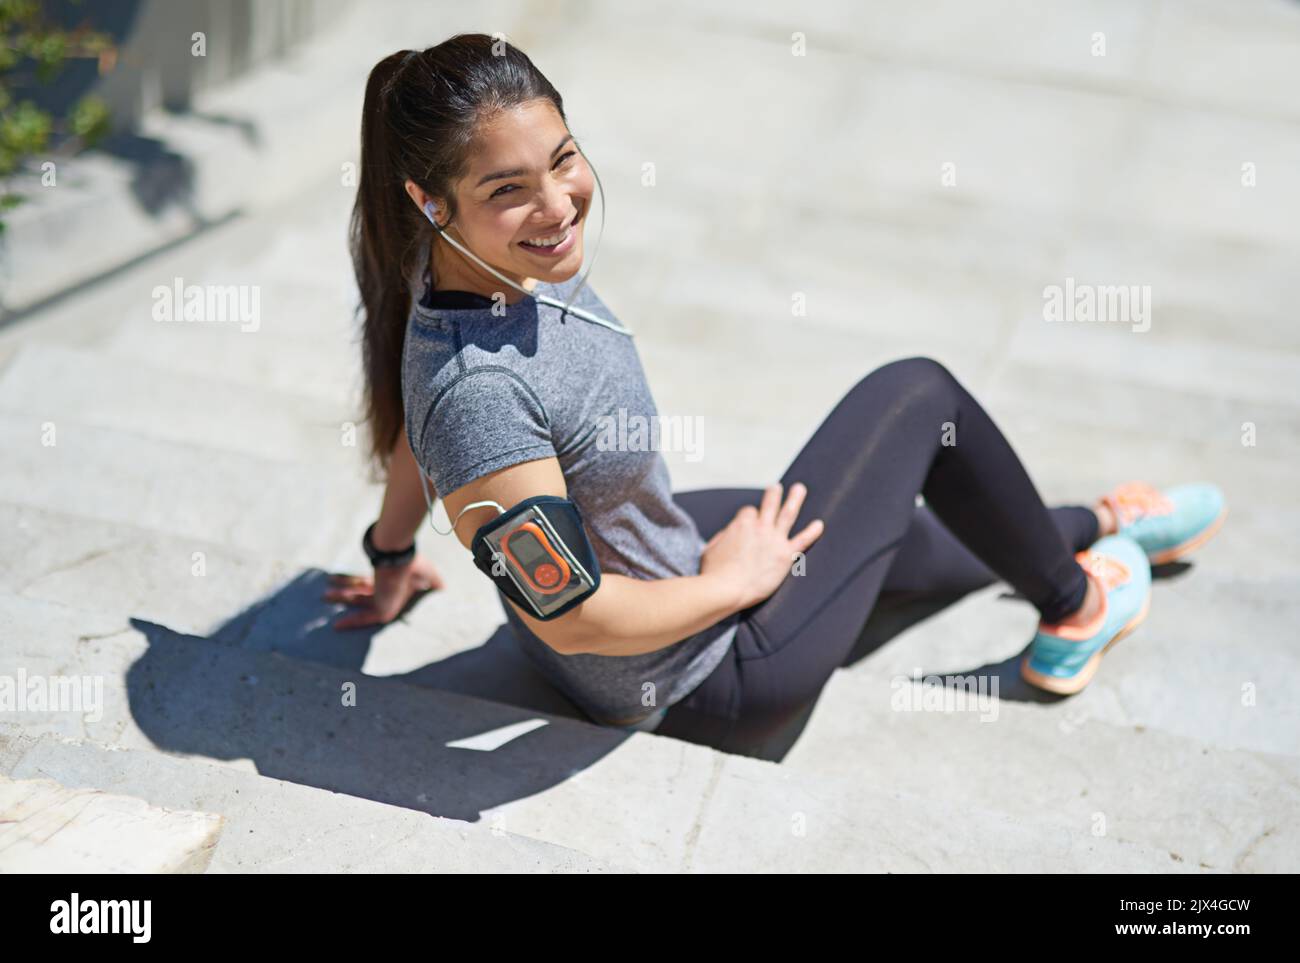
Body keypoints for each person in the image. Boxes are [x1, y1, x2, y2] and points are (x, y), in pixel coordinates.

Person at [326, 34, 1226, 758]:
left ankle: (1094, 523)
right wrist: (731, 583)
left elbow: (417, 434)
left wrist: (392, 549)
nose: (558, 205)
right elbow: (578, 619)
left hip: (659, 549)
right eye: (508, 191)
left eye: (563, 160)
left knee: (889, 527)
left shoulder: (458, 265)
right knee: (918, 399)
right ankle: (1076, 609)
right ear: (432, 200)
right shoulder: (479, 392)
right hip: (703, 677)